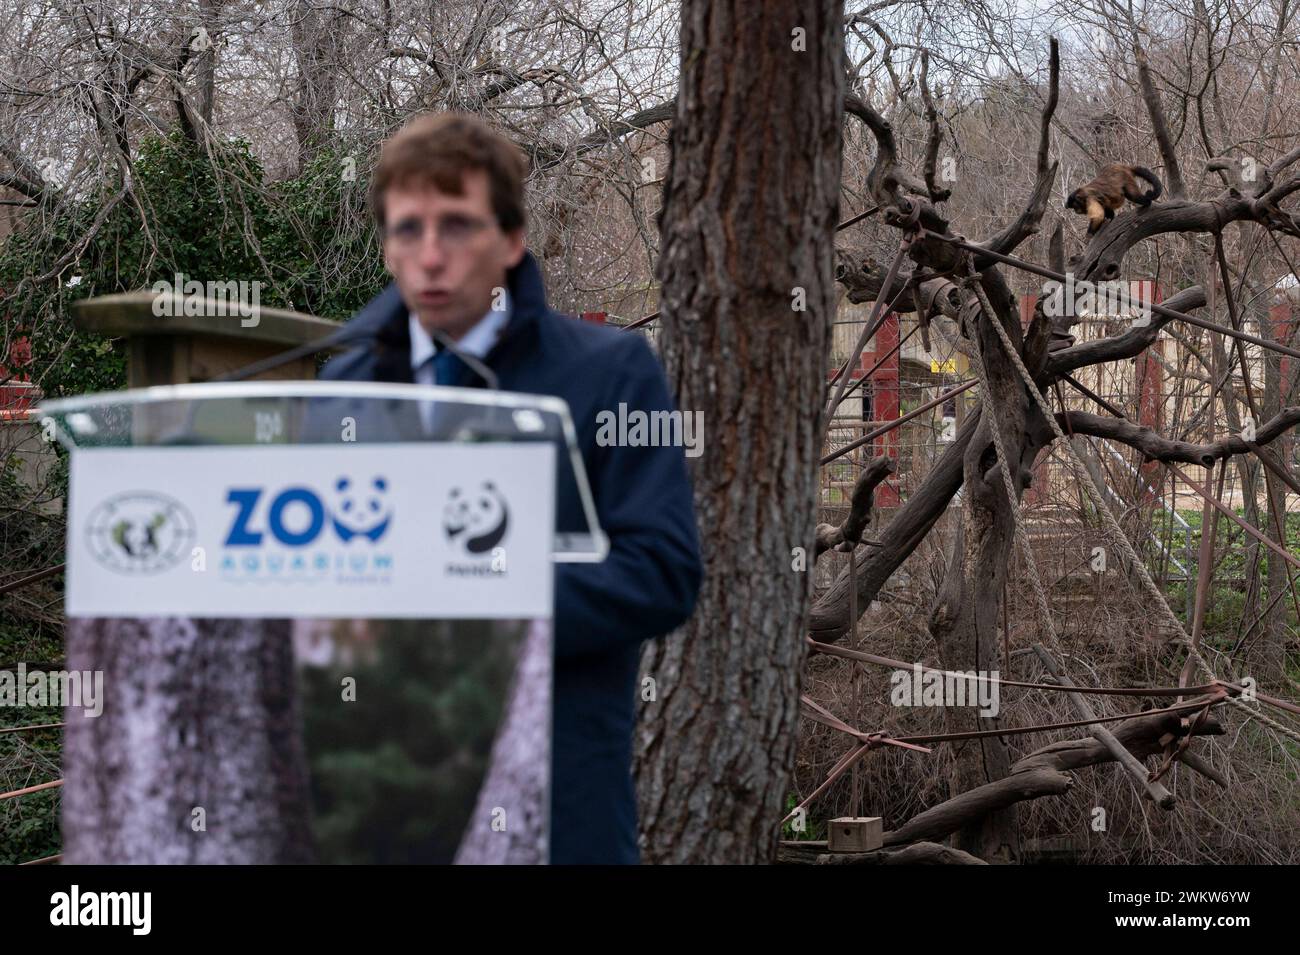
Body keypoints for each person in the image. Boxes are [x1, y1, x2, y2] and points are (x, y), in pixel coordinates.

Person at [319, 112, 703, 864]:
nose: (430, 256)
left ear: (513, 238)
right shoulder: (343, 384)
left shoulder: (612, 371)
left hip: (553, 806)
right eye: (407, 230)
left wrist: (475, 600)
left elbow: (662, 572)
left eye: (457, 226)